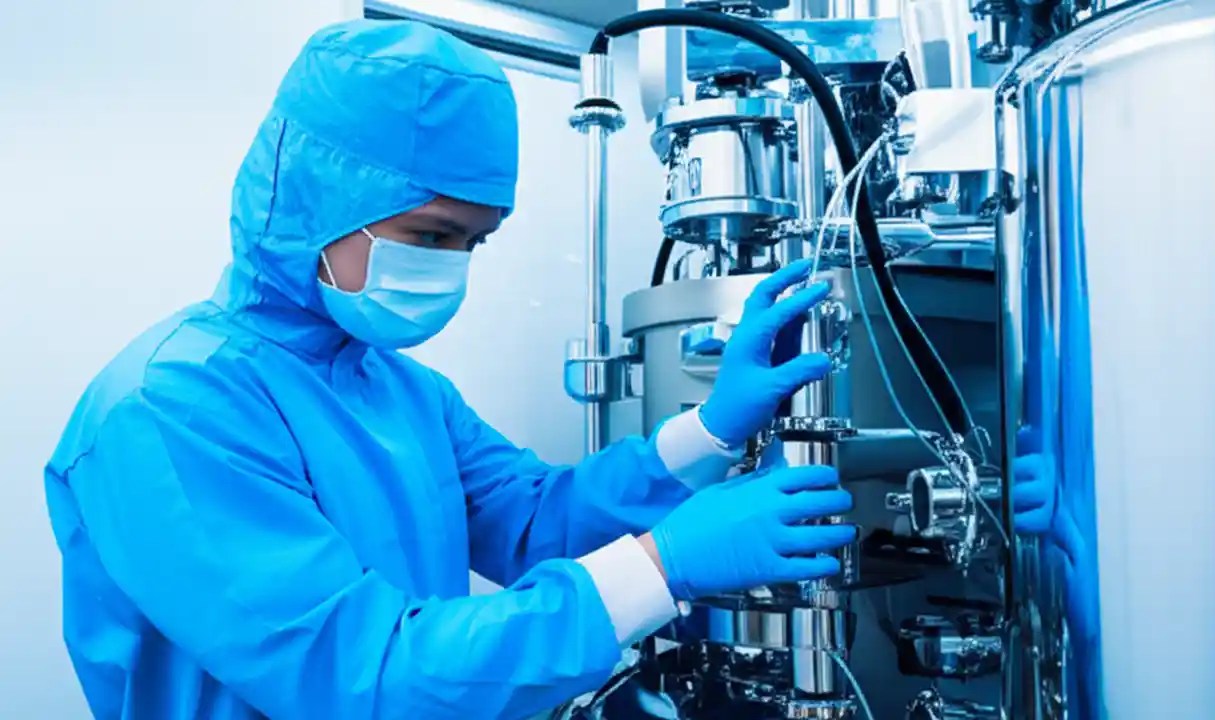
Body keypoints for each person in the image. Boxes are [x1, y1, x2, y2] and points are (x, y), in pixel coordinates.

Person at [44, 18, 854, 720]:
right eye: (432, 236)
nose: (452, 268)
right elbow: (364, 678)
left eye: (474, 242)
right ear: (316, 197)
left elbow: (535, 520)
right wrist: (661, 565)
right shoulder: (170, 408)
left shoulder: (402, 390)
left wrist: (707, 432)